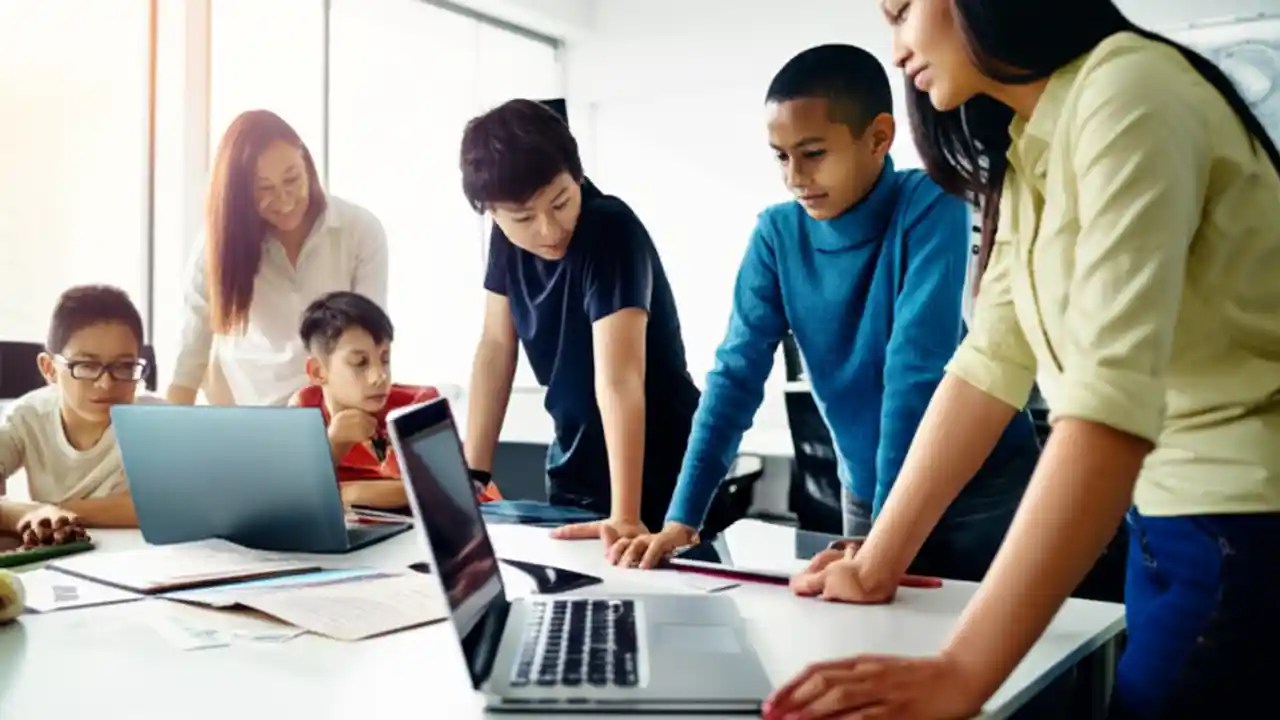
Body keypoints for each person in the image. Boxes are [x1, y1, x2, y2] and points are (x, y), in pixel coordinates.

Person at [765, 2, 1280, 719]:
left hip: (1245, 528)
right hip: (1167, 525)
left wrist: (961, 674)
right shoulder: (1033, 140)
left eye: (904, 9)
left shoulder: (1129, 89)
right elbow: (989, 362)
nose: (898, 47)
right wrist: (878, 561)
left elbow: (1107, 408)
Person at [611, 44, 1040, 582]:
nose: (794, 176)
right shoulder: (776, 235)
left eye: (813, 153)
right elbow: (734, 378)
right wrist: (682, 520)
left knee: (986, 652)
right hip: (866, 489)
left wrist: (884, 542)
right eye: (780, 155)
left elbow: (914, 370)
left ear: (879, 137)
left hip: (979, 488)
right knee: (873, 645)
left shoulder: (931, 202)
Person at [459, 99, 700, 539]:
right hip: (576, 467)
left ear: (579, 176)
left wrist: (625, 514)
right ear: (491, 211)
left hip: (660, 476)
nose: (549, 230)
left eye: (561, 202)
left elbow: (619, 378)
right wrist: (473, 478)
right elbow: (496, 345)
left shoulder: (610, 229)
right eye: (524, 217)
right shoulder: (506, 239)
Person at [167, 109, 388, 408]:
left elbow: (370, 342)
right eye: (264, 189)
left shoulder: (359, 230)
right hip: (252, 416)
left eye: (292, 179)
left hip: (335, 412)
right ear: (239, 195)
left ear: (307, 166)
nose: (284, 200)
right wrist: (167, 434)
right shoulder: (217, 244)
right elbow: (190, 354)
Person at [291, 291, 501, 510]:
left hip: (484, 517)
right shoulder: (305, 409)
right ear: (317, 372)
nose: (379, 375)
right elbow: (293, 496)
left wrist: (346, 492)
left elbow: (440, 489)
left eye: (385, 360)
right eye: (360, 363)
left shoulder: (417, 404)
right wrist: (333, 444)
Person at [0, 285, 162, 539]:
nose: (106, 384)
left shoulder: (160, 422)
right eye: (86, 366)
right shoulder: (28, 417)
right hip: (59, 563)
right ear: (49, 368)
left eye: (124, 366)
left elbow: (174, 505)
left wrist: (58, 511)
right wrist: (24, 514)